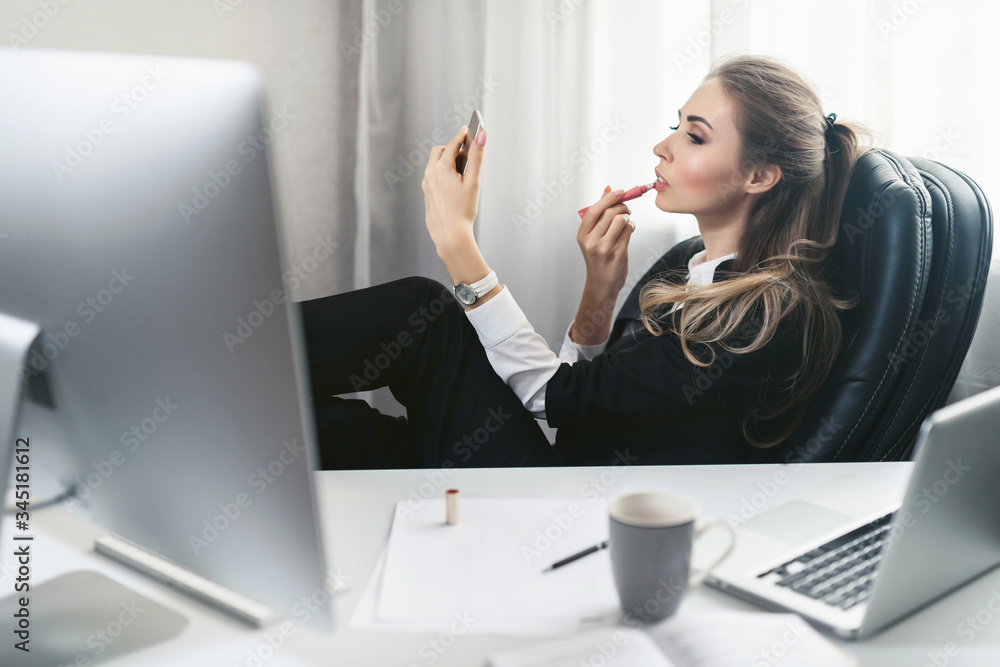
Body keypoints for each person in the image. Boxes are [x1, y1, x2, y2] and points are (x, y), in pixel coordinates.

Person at [300, 55, 870, 469]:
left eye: (694, 137)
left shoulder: (758, 316)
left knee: (421, 313)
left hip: (574, 507)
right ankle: (217, 403)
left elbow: (554, 401)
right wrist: (600, 291)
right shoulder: (687, 266)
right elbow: (592, 403)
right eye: (676, 125)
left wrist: (457, 242)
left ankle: (213, 370)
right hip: (567, 467)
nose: (662, 147)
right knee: (315, 433)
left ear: (760, 176)